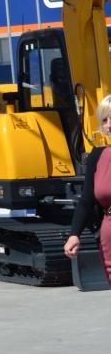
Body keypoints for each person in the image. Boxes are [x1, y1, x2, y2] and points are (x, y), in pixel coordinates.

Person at [63, 94, 111, 282]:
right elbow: (86, 199)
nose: (108, 125)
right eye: (104, 120)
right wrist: (74, 234)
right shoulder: (98, 156)